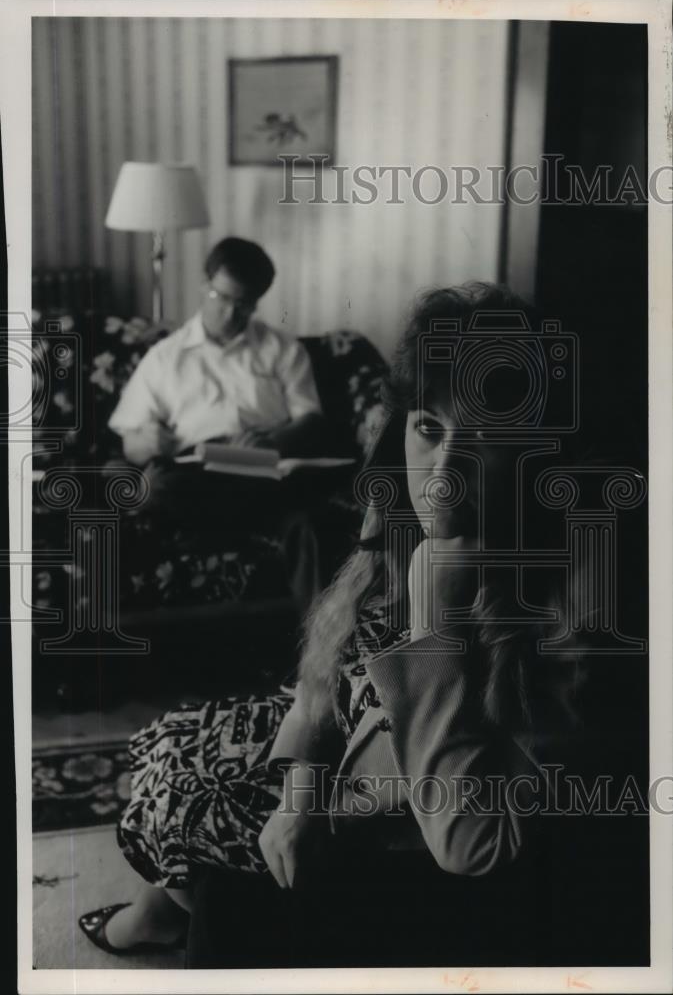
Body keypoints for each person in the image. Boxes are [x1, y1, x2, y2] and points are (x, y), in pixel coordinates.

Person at [78, 283, 637, 961]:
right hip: (351, 729)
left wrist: (436, 619)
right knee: (171, 743)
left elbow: (472, 842)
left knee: (185, 801)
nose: (445, 472)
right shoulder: (396, 502)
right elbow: (327, 673)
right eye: (429, 428)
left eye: (486, 438)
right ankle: (162, 912)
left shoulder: (576, 596)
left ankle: (158, 914)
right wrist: (299, 794)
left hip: (398, 793)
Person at [109, 236, 324, 464]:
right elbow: (131, 442)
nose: (230, 314)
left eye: (242, 304)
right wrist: (147, 444)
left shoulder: (284, 349)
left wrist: (273, 443)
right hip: (195, 464)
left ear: (255, 303)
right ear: (205, 285)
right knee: (163, 482)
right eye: (222, 298)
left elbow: (310, 419)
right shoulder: (164, 356)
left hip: (263, 459)